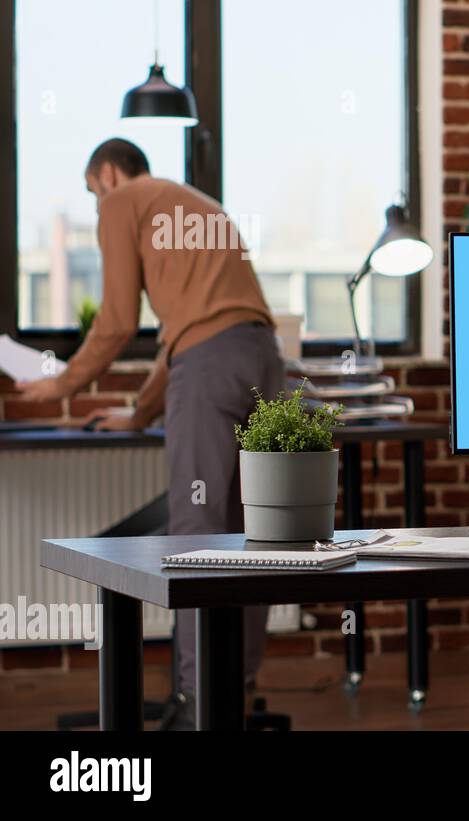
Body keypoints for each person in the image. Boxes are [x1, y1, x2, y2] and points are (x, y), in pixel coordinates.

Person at [17, 138, 284, 730]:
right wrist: (139, 414)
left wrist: (59, 387)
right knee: (257, 533)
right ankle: (230, 694)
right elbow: (189, 333)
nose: (95, 211)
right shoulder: (197, 205)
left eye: (92, 195)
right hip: (264, 359)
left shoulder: (123, 202)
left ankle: (195, 704)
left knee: (196, 535)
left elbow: (116, 322)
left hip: (210, 369)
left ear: (108, 174)